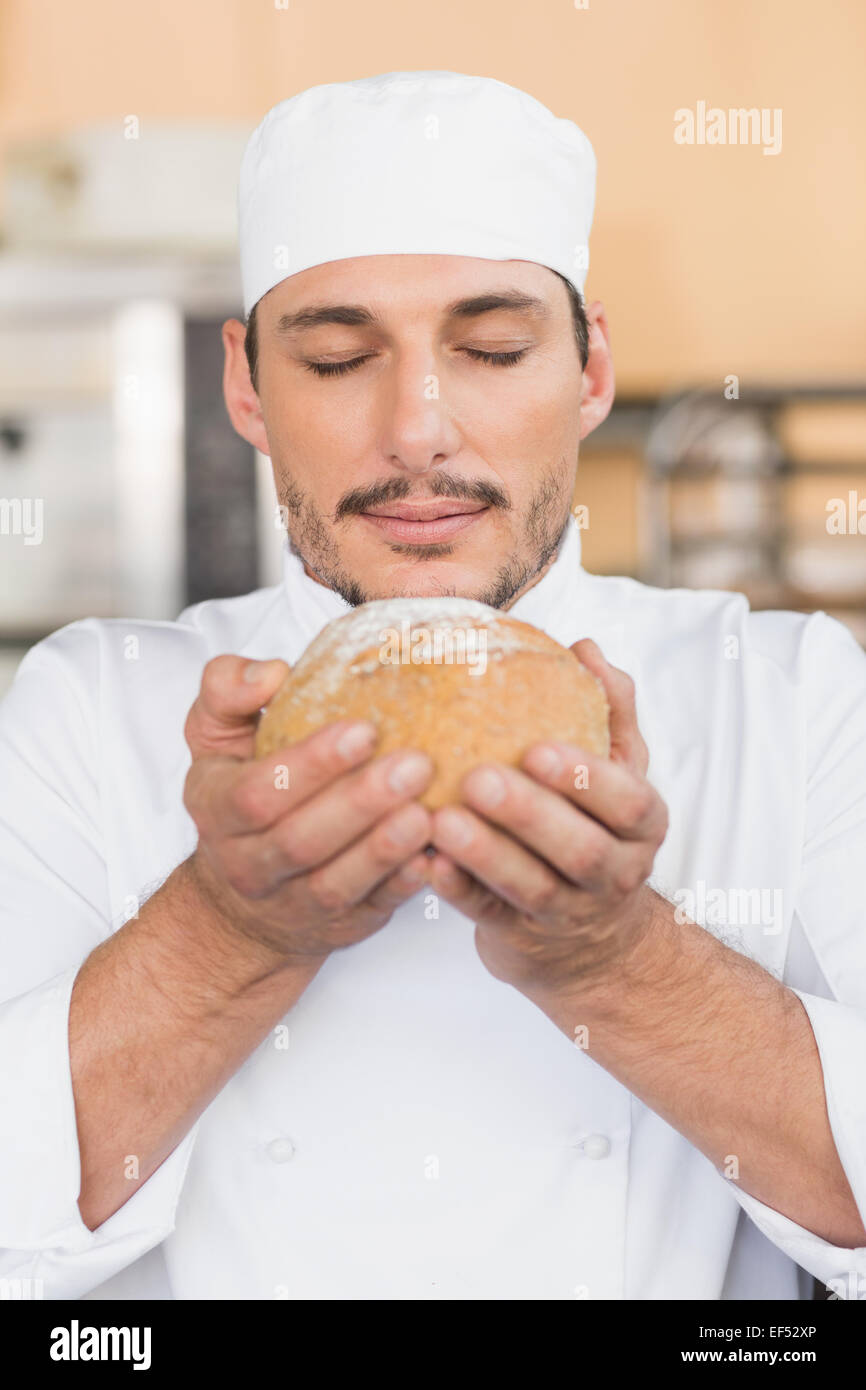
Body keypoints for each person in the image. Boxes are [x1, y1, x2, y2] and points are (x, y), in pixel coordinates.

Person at [1, 69, 865, 1302]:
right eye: (337, 358)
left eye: (493, 349)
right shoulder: (93, 706)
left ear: (590, 370)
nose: (417, 430)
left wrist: (613, 960)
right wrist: (228, 930)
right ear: (246, 387)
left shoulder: (783, 695)